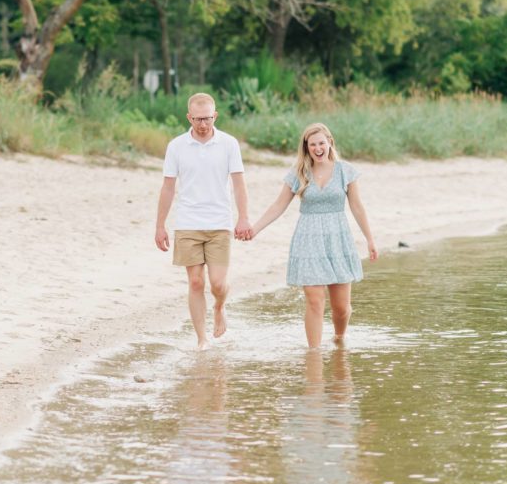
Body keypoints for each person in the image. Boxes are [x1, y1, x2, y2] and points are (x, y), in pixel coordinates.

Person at [247, 122, 376, 347]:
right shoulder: (299, 173)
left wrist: (370, 239)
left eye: (321, 143)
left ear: (330, 143)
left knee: (341, 308)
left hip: (338, 240)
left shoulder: (345, 170)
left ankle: (339, 340)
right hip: (308, 240)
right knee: (315, 301)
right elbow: (279, 205)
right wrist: (255, 229)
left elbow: (357, 206)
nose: (318, 148)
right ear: (306, 147)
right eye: (312, 144)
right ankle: (314, 356)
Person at [155, 92, 251, 349]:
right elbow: (167, 188)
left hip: (220, 223)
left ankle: (219, 307)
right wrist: (160, 225)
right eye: (198, 119)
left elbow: (239, 185)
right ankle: (201, 339)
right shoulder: (176, 146)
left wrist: (243, 217)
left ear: (215, 116)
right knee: (196, 282)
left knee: (218, 283)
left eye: (207, 118)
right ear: (189, 117)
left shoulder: (229, 144)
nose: (203, 124)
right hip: (187, 222)